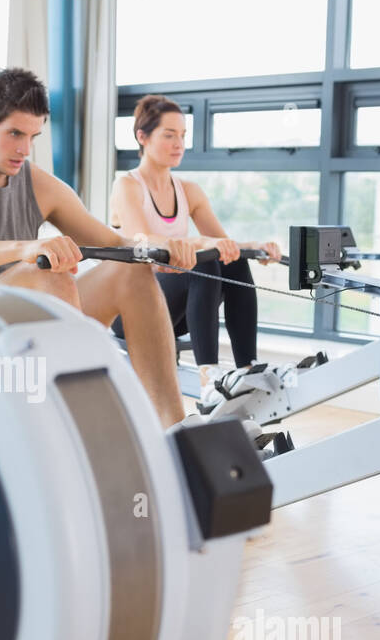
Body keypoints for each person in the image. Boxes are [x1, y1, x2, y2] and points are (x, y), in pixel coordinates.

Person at [0, 68, 198, 428]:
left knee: (131, 269)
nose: (24, 149)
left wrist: (160, 248)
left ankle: (174, 429)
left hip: (24, 319)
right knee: (47, 271)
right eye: (14, 133)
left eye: (33, 136)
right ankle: (88, 426)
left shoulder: (36, 183)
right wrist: (25, 248)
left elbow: (114, 242)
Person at [109, 94, 282, 406]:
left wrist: (255, 246)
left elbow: (220, 243)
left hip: (175, 309)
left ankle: (247, 368)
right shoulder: (128, 186)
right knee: (203, 262)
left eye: (183, 136)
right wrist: (201, 244)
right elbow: (141, 239)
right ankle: (209, 380)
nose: (179, 144)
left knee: (233, 262)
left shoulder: (189, 191)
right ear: (142, 137)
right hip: (131, 308)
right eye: (169, 135)